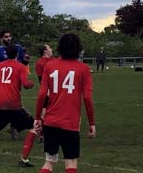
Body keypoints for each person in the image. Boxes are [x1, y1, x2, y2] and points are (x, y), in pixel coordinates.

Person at [33, 34, 96, 173]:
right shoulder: (83, 69)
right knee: (71, 163)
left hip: (50, 122)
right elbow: (87, 98)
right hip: (70, 123)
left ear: (60, 47)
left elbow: (42, 94)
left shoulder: (50, 66)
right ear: (78, 49)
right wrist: (91, 123)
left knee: (49, 162)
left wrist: (38, 117)